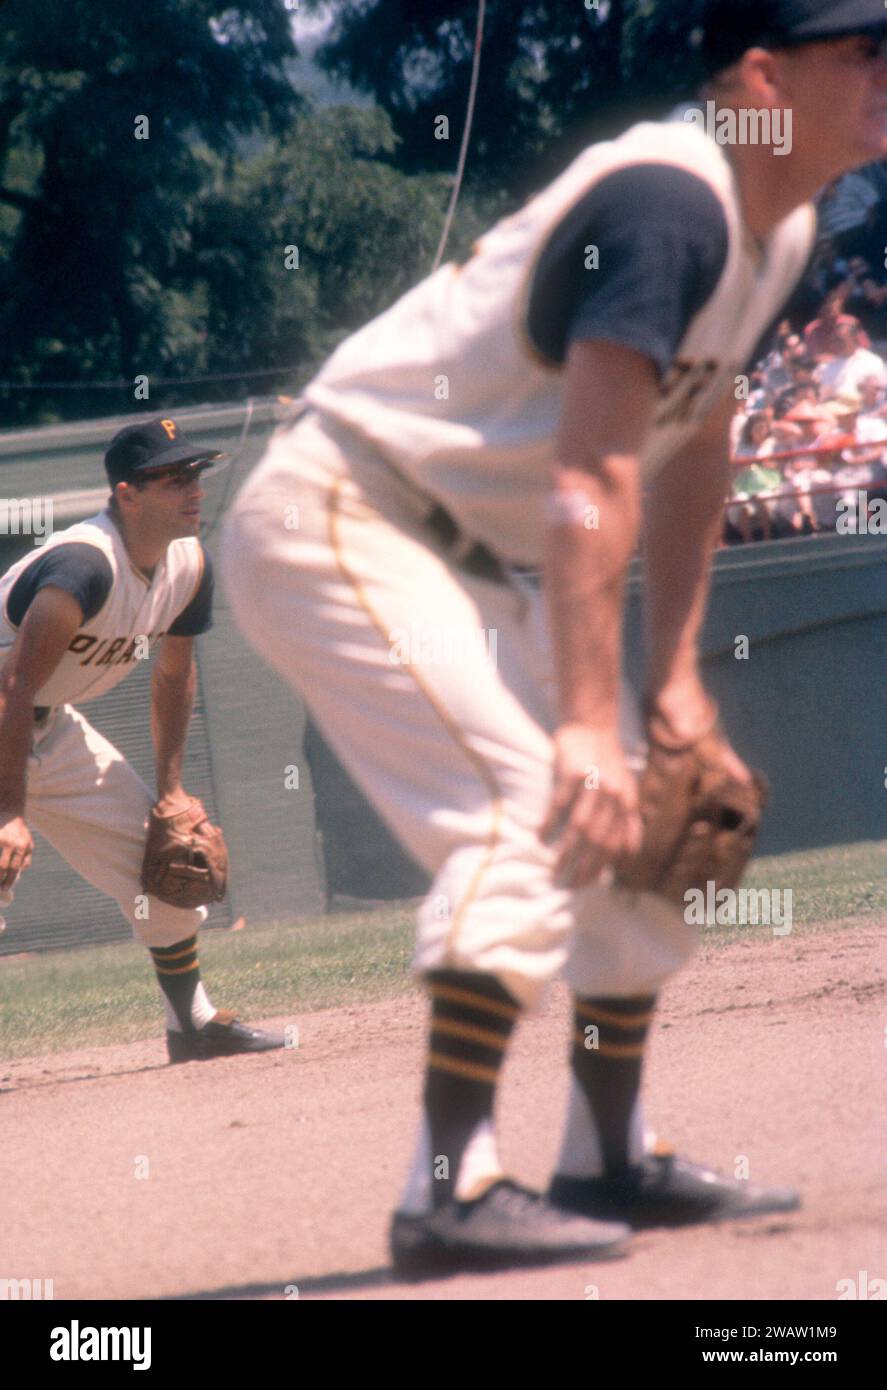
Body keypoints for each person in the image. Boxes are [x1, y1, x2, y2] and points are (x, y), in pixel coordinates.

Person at [224, 0, 887, 1277]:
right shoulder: (668, 200)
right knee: (536, 813)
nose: (886, 71)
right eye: (863, 48)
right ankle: (447, 1188)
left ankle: (605, 1150)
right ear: (761, 74)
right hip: (351, 513)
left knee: (637, 826)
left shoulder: (777, 223)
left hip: (483, 559)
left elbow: (693, 443)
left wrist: (674, 684)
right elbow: (591, 475)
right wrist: (589, 721)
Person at [0, 418, 286, 1063]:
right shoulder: (84, 565)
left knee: (162, 868)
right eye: (171, 478)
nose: (192, 489)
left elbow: (174, 673)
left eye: (195, 474)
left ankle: (192, 1025)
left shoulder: (188, 564)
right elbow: (13, 686)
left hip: (53, 724)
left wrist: (173, 789)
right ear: (126, 494)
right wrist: (10, 812)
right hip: (7, 710)